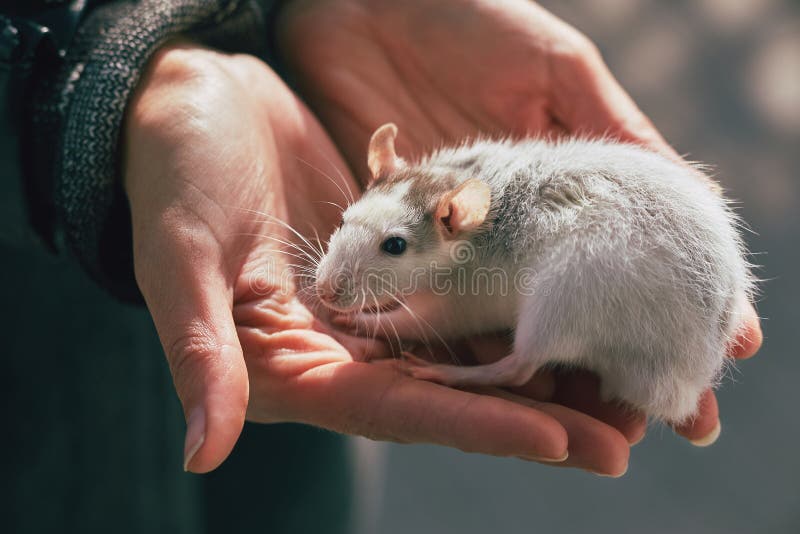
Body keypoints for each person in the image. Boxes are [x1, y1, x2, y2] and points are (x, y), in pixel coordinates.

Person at [2, 0, 762, 532]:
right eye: (346, 232)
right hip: (49, 285)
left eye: (392, 249)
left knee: (288, 491)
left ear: (454, 221)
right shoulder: (431, 211)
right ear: (380, 171)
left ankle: (500, 369)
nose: (330, 280)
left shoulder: (471, 237)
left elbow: (465, 302)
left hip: (655, 328)